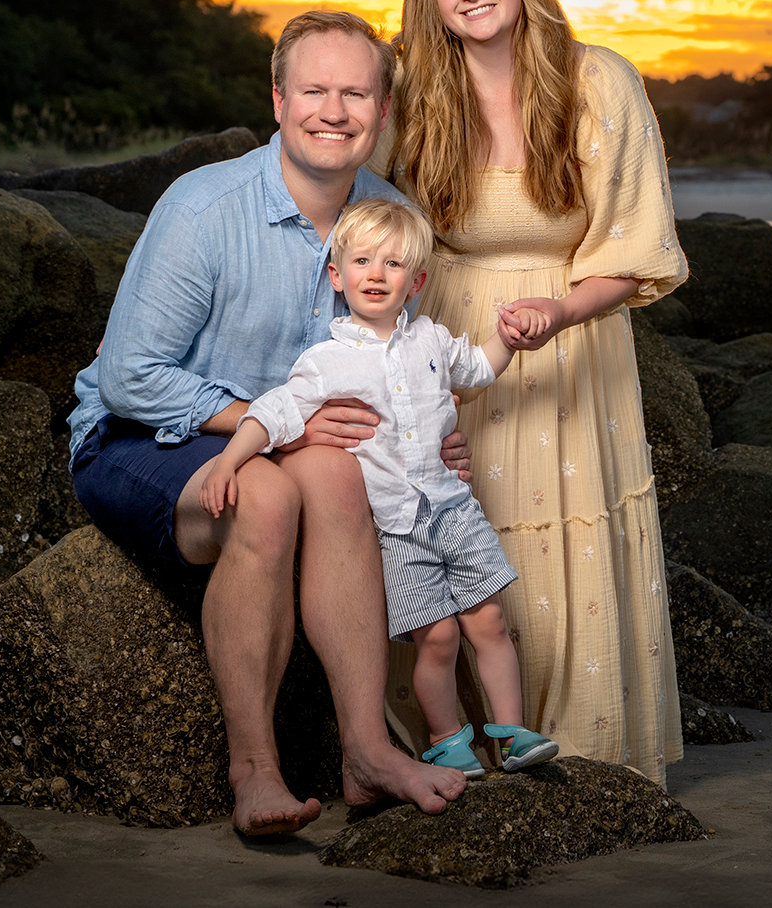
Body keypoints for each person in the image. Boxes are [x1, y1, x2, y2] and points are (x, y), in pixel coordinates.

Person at [67, 11, 471, 835]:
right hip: (140, 437)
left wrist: (428, 428)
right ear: (279, 99)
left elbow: (396, 359)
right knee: (267, 496)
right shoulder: (205, 208)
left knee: (333, 472)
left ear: (382, 111)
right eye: (314, 89)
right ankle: (254, 769)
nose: (334, 109)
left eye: (355, 91)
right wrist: (272, 425)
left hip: (289, 442)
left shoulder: (386, 219)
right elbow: (130, 375)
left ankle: (364, 749)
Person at [375, 0, 688, 783]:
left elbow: (640, 250)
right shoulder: (417, 97)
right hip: (448, 345)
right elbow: (367, 218)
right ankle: (447, 746)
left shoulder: (600, 83)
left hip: (572, 345)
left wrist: (559, 312)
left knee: (565, 540)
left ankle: (578, 749)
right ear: (429, 0)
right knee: (451, 534)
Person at [199, 197, 560, 778]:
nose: (376, 274)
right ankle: (446, 740)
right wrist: (228, 462)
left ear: (415, 281)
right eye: (363, 261)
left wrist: (508, 342)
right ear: (337, 276)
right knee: (437, 638)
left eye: (393, 265)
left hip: (454, 510)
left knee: (489, 619)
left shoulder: (434, 342)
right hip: (395, 526)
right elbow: (275, 411)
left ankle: (514, 734)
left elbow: (478, 368)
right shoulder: (327, 361)